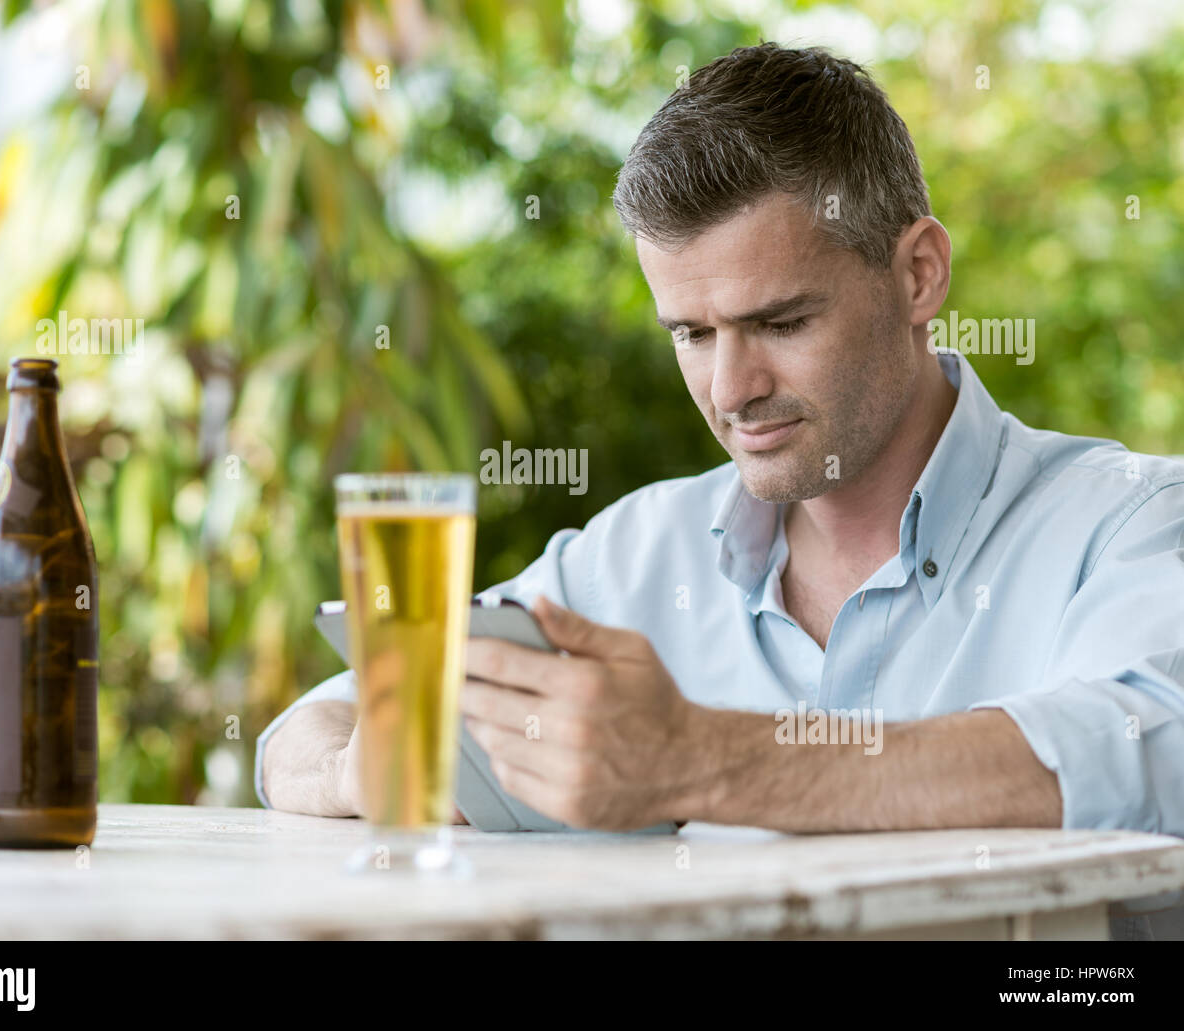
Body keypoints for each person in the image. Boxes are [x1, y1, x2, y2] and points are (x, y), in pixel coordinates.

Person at [256, 44, 1184, 863]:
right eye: (691, 334)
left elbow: (1153, 746)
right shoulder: (635, 553)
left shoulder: (1128, 520)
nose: (731, 390)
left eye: (780, 321)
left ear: (918, 275)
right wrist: (360, 765)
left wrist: (695, 761)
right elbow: (305, 727)